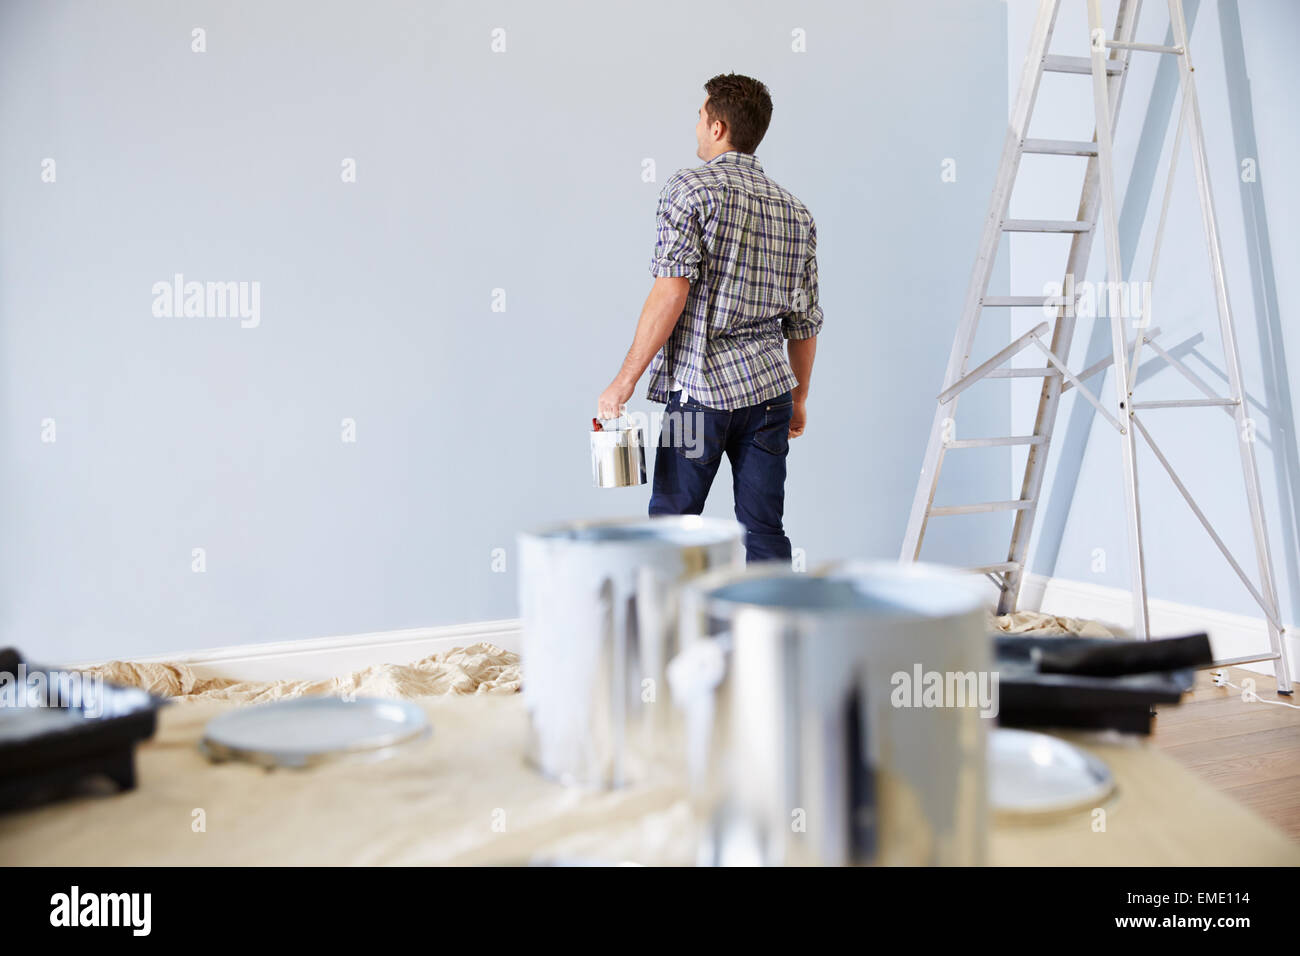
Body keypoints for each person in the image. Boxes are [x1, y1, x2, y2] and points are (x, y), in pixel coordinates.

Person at [596, 73, 822, 563]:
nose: (695, 125)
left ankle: (673, 638)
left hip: (699, 396)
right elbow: (803, 322)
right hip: (770, 398)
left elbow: (671, 289)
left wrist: (623, 382)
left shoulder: (691, 188)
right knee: (763, 528)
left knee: (673, 525)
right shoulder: (796, 212)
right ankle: (775, 637)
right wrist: (799, 397)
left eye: (700, 116)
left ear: (717, 127)